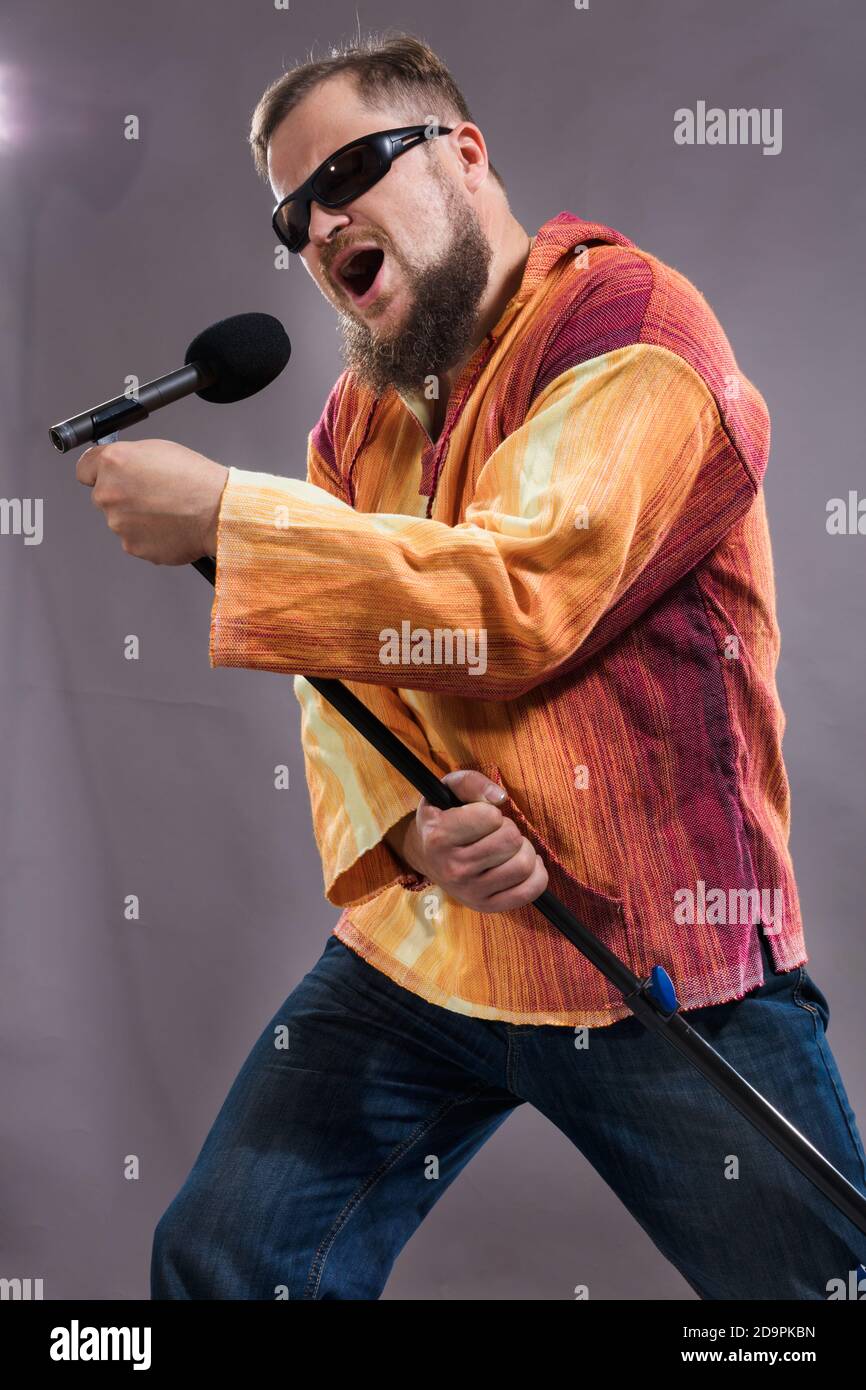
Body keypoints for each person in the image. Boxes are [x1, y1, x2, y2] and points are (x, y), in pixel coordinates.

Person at [77, 33, 866, 1300]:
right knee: (226, 1259)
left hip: (650, 964)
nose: (320, 223)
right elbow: (337, 659)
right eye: (292, 215)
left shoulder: (637, 338)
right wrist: (410, 834)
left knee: (814, 1302)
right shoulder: (362, 414)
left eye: (347, 173)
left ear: (463, 152)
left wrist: (231, 518)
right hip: (425, 956)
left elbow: (517, 601)